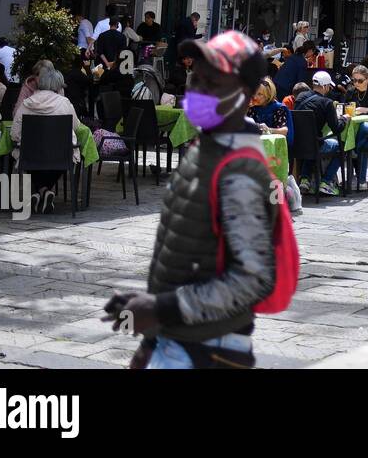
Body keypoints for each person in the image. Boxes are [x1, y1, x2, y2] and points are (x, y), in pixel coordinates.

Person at [103, 31, 280, 369]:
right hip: (177, 341)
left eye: (210, 81)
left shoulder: (238, 171)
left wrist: (159, 308)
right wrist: (153, 335)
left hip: (209, 349)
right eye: (194, 77)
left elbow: (253, 278)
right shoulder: (205, 149)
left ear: (244, 93)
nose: (196, 89)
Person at [12, 66, 83, 215]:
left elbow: (15, 133)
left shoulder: (27, 103)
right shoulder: (65, 103)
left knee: (29, 158)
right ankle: (46, 190)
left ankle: (40, 191)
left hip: (31, 155)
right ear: (58, 86)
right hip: (60, 155)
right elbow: (76, 126)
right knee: (64, 158)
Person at [293, 71, 345, 195]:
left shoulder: (300, 97)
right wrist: (344, 119)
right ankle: (326, 182)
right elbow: (337, 128)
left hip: (297, 144)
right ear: (325, 86)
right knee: (341, 147)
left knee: (311, 141)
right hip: (316, 145)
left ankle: (305, 179)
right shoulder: (326, 103)